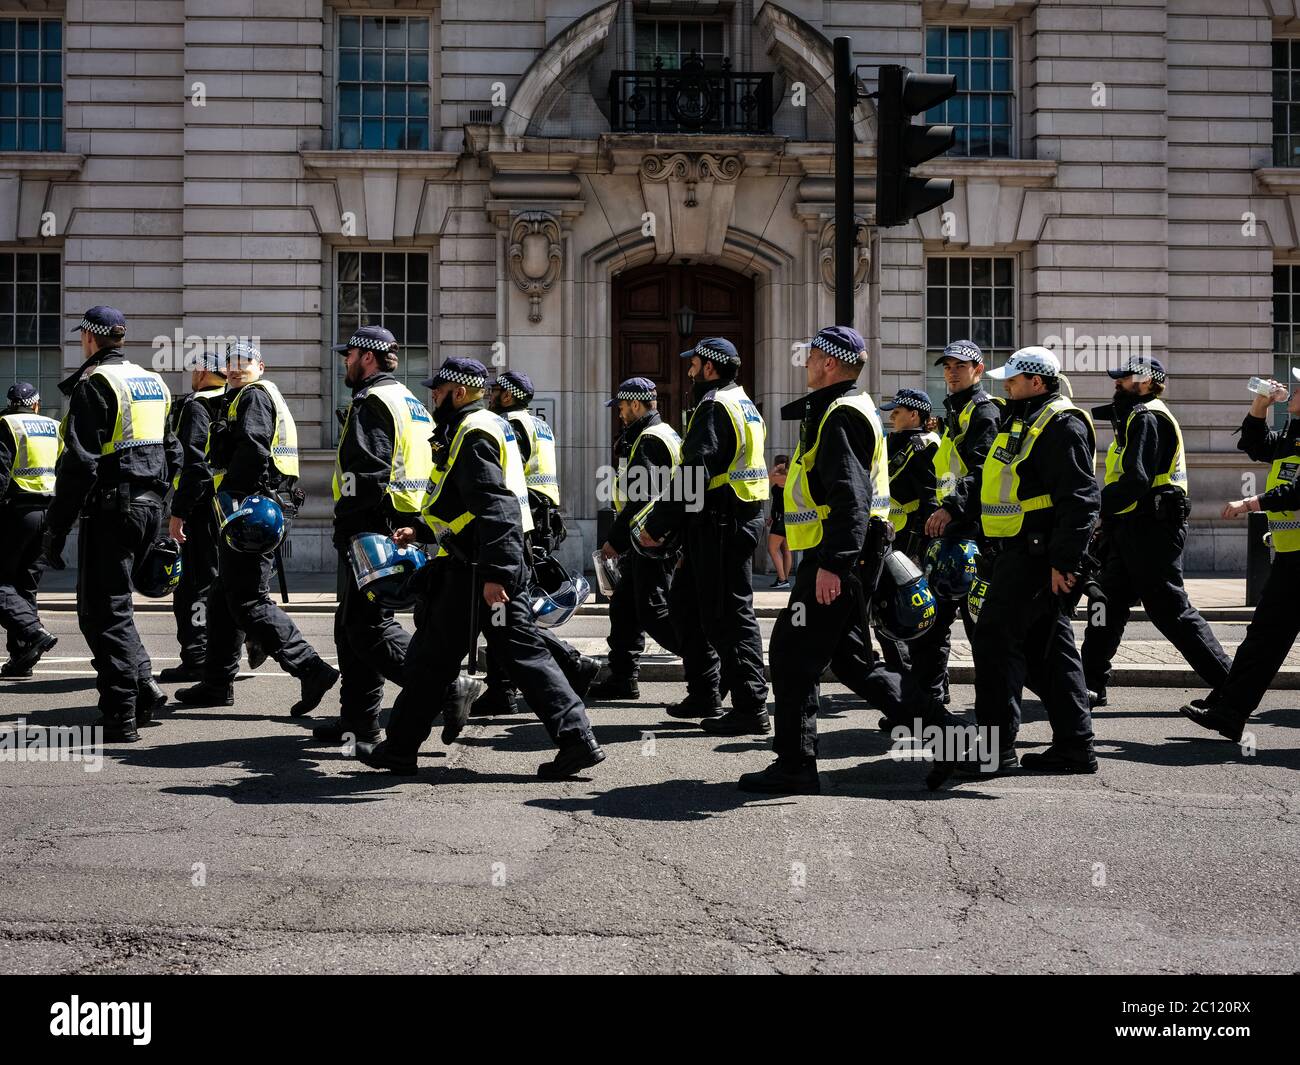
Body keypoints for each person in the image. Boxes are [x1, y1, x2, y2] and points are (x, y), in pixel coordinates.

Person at [355, 357, 605, 778]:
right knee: (437, 659)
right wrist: (419, 528)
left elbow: (498, 508)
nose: (432, 396)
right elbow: (462, 504)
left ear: (459, 392)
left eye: (438, 390)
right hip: (473, 566)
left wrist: (498, 576)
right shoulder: (475, 428)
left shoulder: (473, 433)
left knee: (511, 658)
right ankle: (399, 749)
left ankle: (577, 739)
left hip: (480, 571)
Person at [928, 347, 1100, 788]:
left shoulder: (1062, 424)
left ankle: (995, 752)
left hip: (1035, 553)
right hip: (1015, 549)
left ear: (1037, 382)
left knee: (994, 643)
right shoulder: (1024, 417)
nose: (1005, 385)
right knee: (1050, 650)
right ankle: (1075, 745)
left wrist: (1066, 561)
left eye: (1014, 380)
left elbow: (1080, 498)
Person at [738, 326, 900, 794]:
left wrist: (833, 563)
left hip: (839, 558)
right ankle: (955, 741)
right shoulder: (847, 408)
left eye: (810, 355)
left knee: (791, 656)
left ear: (829, 362)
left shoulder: (842, 415)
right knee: (850, 662)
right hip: (848, 554)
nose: (805, 361)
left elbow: (851, 498)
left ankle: (795, 765)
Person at [174, 342, 339, 714]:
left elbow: (253, 449)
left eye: (244, 363)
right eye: (230, 364)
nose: (235, 369)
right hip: (259, 503)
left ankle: (310, 668)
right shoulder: (247, 396)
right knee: (221, 596)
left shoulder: (253, 396)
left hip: (255, 505)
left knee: (247, 598)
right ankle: (217, 683)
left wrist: (233, 497)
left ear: (260, 366)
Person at [43, 307, 180, 740]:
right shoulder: (152, 382)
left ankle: (121, 712)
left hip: (112, 509)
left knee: (102, 612)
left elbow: (79, 465)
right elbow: (172, 452)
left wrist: (57, 527)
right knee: (117, 608)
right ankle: (142, 687)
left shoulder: (95, 384)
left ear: (90, 338)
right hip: (149, 507)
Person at [639, 336, 770, 735]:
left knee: (728, 614)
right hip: (721, 521)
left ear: (710, 368)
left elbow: (694, 472)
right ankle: (705, 692)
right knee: (685, 606)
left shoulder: (714, 406)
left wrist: (658, 526)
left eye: (694, 365)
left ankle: (750, 705)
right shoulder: (742, 402)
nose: (689, 371)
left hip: (723, 523)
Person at [1081, 356, 1229, 707]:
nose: (1117, 383)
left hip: (1152, 532)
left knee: (1170, 612)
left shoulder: (1147, 416)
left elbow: (1135, 480)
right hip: (1129, 530)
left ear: (1147, 382)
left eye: (1125, 378)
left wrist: (1094, 506)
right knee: (1104, 604)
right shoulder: (1134, 417)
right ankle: (1089, 683)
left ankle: (1232, 686)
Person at [310, 326, 433, 745]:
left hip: (373, 527)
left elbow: (369, 471)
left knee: (368, 628)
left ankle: (445, 689)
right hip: (401, 522)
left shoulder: (372, 400)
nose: (344, 360)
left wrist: (351, 525)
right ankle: (359, 720)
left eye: (349, 354)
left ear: (367, 357)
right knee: (351, 627)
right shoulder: (410, 401)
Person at [467, 370, 602, 716]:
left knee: (510, 611)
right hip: (541, 519)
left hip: (522, 524)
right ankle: (504, 688)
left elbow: (505, 477)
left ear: (510, 396)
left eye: (496, 390)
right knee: (509, 612)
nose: (491, 394)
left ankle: (567, 666)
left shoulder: (508, 424)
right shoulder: (537, 423)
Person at [1182, 369, 1300, 743]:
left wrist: (1253, 502)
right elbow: (1255, 445)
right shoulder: (1294, 435)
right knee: (1265, 637)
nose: (1293, 390)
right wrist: (1260, 404)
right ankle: (1229, 712)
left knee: (1266, 636)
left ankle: (1229, 709)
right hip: (1292, 558)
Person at [903, 340, 1002, 717]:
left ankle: (990, 712)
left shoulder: (983, 412)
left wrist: (950, 509)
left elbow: (981, 472)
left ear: (978, 369)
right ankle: (925, 703)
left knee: (981, 628)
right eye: (947, 366)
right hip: (948, 533)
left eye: (961, 366)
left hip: (973, 534)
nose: (952, 371)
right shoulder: (954, 412)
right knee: (931, 623)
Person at [587, 377, 683, 701]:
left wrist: (614, 540)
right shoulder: (662, 433)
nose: (619, 414)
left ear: (637, 405)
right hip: (649, 538)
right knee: (625, 609)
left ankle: (705, 660)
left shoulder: (650, 440)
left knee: (654, 612)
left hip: (651, 541)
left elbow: (642, 498)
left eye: (622, 407)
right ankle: (623, 677)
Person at [159, 351, 227, 683]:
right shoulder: (237, 401)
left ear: (202, 372)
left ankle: (197, 656)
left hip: (200, 508)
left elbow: (193, 463)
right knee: (219, 581)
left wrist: (179, 512)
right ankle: (226, 650)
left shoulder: (196, 405)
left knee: (193, 587)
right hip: (229, 506)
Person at [876, 387, 940, 675]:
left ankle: (915, 678)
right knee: (884, 609)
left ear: (914, 414)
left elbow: (930, 498)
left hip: (908, 542)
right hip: (887, 536)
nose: (892, 416)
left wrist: (919, 546)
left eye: (898, 412)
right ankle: (903, 673)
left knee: (903, 610)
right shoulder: (891, 441)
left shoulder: (924, 447)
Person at [0, 382, 59, 677]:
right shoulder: (53, 426)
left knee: (2, 582)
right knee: (26, 585)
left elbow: (0, 473)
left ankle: (33, 632)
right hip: (48, 514)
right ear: (36, 404)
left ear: (12, 403)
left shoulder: (6, 425)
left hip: (16, 512)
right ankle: (22, 658)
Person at [766, 454, 792, 589]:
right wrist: (771, 515)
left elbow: (766, 479)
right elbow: (778, 500)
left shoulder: (782, 477)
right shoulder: (790, 477)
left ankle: (782, 579)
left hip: (781, 518)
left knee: (772, 549)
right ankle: (784, 579)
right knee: (786, 550)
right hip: (784, 517)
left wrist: (775, 468)